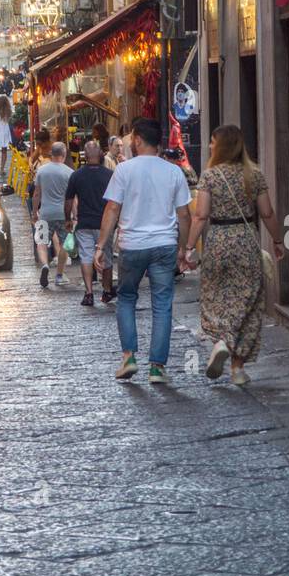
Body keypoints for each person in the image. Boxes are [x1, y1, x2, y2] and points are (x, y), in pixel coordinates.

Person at [183, 124, 285, 387]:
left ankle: (221, 340)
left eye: (212, 142)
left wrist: (189, 247)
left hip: (217, 240)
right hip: (245, 240)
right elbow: (267, 213)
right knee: (248, 301)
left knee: (216, 296)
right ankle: (237, 367)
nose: (208, 146)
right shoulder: (254, 175)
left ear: (222, 146)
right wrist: (277, 239)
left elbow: (201, 215)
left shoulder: (210, 176)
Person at [94, 117, 192, 385]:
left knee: (126, 297)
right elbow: (184, 214)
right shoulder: (173, 172)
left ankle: (129, 357)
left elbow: (112, 209)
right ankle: (157, 368)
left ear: (137, 140)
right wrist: (184, 248)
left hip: (132, 245)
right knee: (162, 305)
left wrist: (101, 246)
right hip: (164, 245)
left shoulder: (124, 170)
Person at [64, 140, 115, 307]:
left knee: (86, 256)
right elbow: (116, 201)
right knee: (106, 257)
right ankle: (107, 290)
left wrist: (68, 219)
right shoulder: (109, 175)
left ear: (85, 156)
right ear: (100, 154)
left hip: (84, 223)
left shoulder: (77, 175)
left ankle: (89, 293)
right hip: (104, 224)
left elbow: (69, 200)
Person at [32, 141, 73, 289]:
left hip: (45, 213)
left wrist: (34, 212)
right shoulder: (70, 172)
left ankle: (45, 265)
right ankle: (60, 275)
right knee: (66, 244)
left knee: (41, 242)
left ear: (51, 154)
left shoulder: (42, 171)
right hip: (63, 214)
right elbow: (72, 198)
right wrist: (74, 215)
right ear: (64, 155)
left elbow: (36, 194)